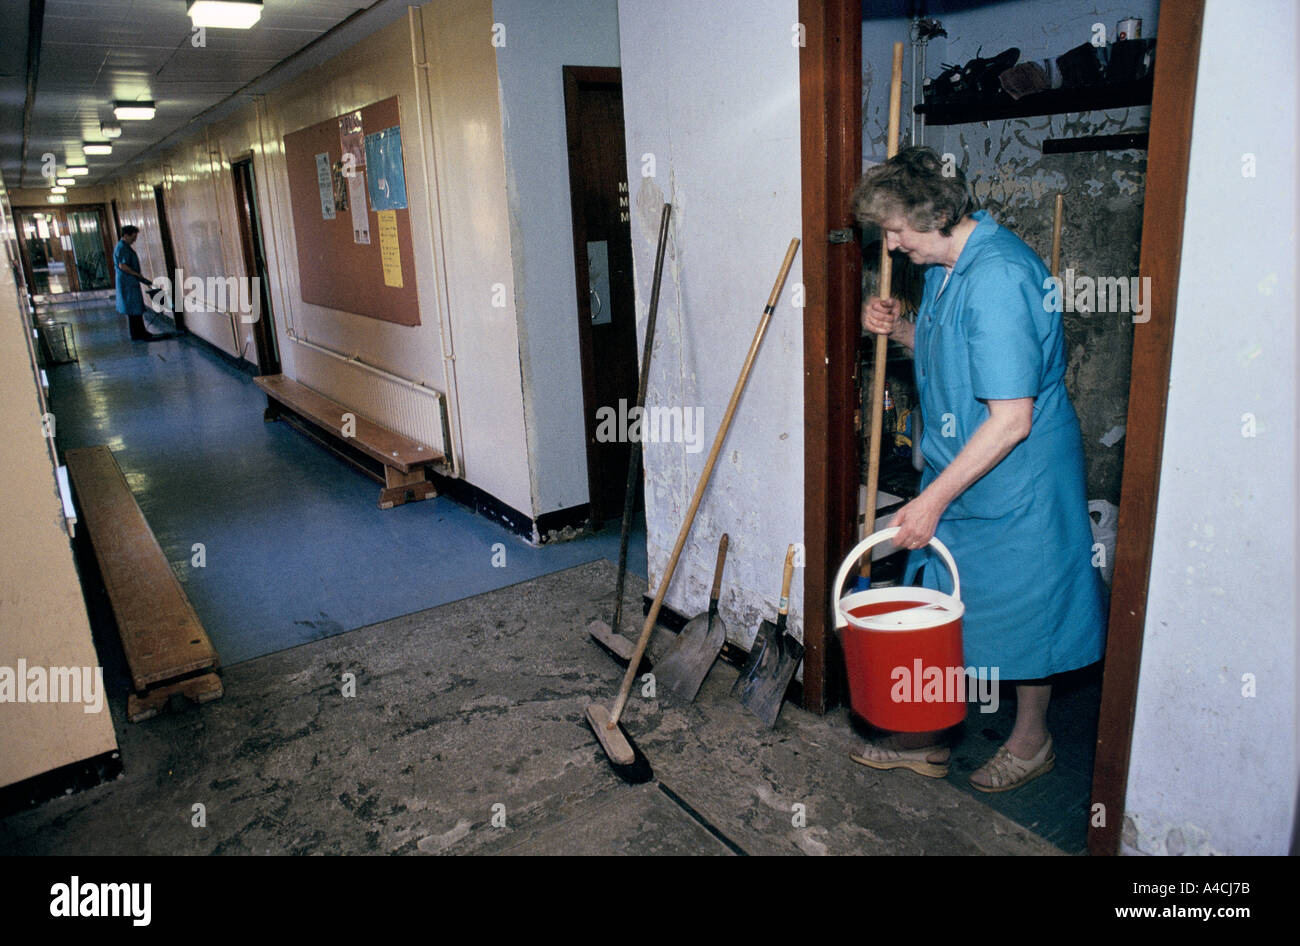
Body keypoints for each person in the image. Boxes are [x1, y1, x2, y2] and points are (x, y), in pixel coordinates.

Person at [850, 146, 1106, 792]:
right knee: (945, 603)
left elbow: (1011, 417)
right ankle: (926, 736)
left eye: (896, 227)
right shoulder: (945, 265)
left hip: (1019, 479)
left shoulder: (998, 277)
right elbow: (948, 343)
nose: (890, 241)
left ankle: (1033, 740)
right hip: (965, 469)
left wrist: (930, 499)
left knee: (1029, 614)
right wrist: (897, 328)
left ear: (935, 213)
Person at [113, 225, 169, 341]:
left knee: (135, 309)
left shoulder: (124, 246)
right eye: (133, 237)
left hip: (129, 281)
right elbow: (123, 265)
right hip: (128, 283)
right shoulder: (122, 247)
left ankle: (139, 332)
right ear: (126, 235)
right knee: (133, 308)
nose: (135, 240)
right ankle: (138, 334)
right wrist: (137, 275)